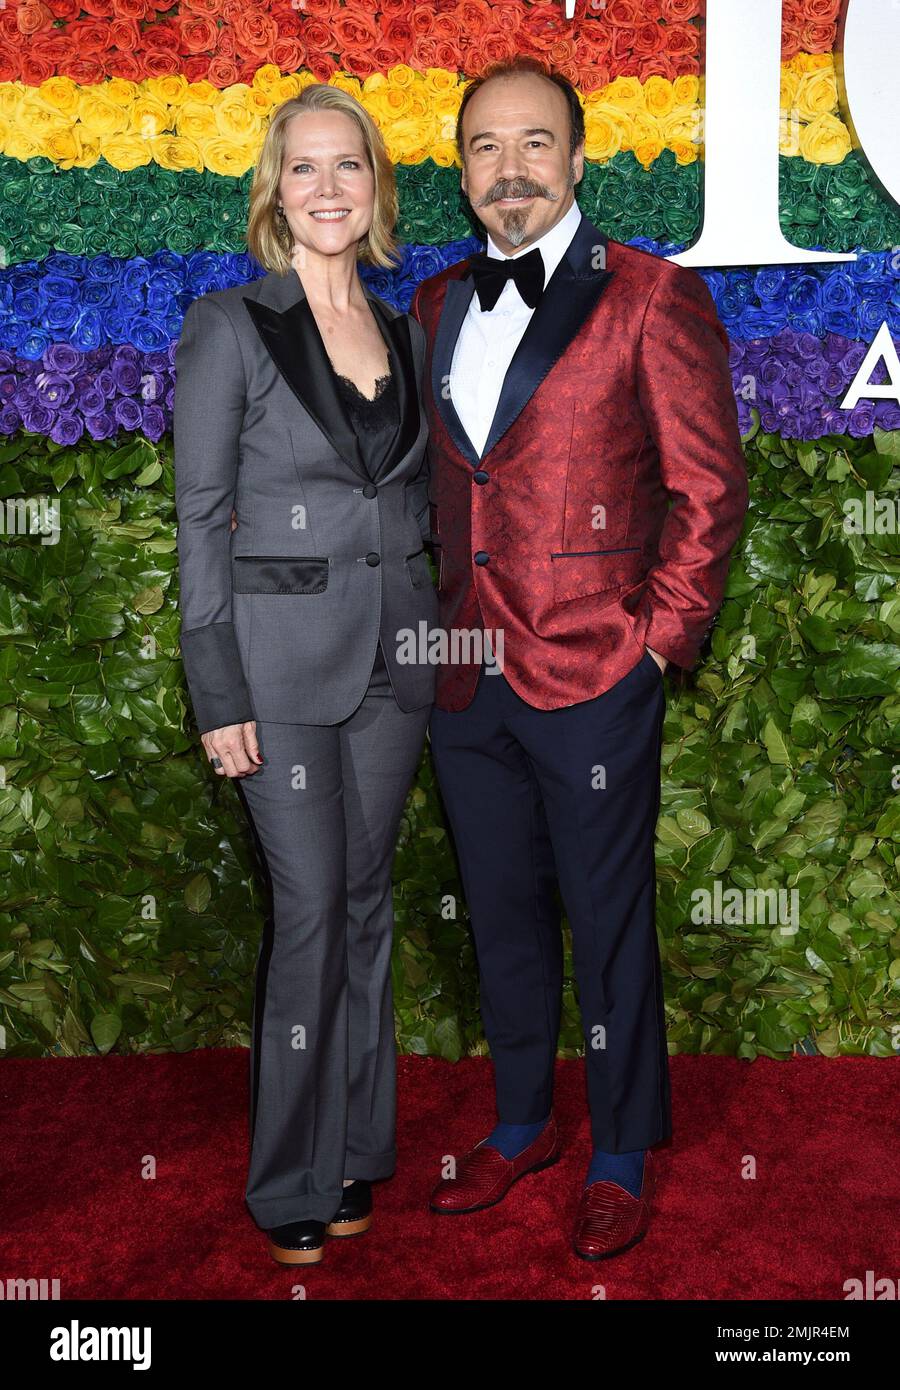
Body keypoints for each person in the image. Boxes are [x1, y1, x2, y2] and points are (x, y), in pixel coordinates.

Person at [411, 56, 749, 1260]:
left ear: (577, 158)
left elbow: (707, 488)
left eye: (534, 144)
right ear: (460, 171)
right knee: (500, 913)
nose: (511, 169)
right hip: (465, 675)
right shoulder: (437, 303)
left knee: (606, 918)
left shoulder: (651, 296)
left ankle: (617, 1149)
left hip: (597, 670)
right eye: (486, 149)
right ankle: (519, 1123)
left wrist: (658, 645)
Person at [173, 84, 438, 1266]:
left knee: (370, 905)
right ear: (275, 194)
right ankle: (287, 1172)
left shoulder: (410, 330)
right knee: (312, 909)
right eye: (304, 168)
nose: (329, 187)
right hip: (276, 674)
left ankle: (353, 1153)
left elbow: (415, 500)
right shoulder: (231, 325)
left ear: (378, 188)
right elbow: (200, 519)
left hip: (396, 662)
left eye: (349, 167)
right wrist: (216, 692)